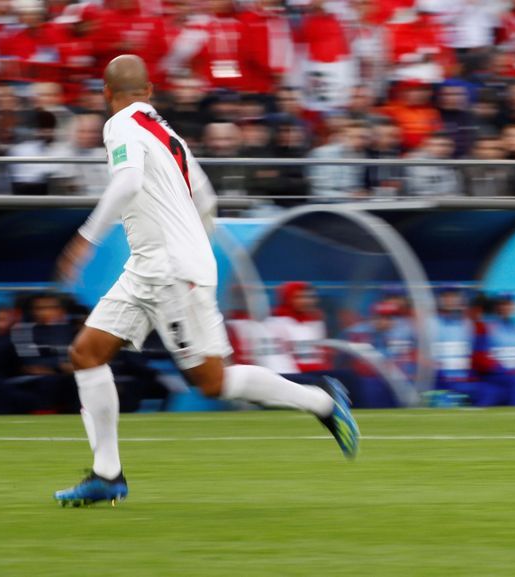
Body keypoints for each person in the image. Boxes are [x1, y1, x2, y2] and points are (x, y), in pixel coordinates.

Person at [52, 55, 359, 507]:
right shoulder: (169, 136)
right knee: (87, 353)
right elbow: (206, 199)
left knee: (212, 383)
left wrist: (86, 238)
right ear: (150, 90)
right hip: (152, 265)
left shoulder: (119, 124)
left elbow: (127, 183)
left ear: (106, 93)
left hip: (171, 270)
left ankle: (323, 401)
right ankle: (107, 474)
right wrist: (193, 244)